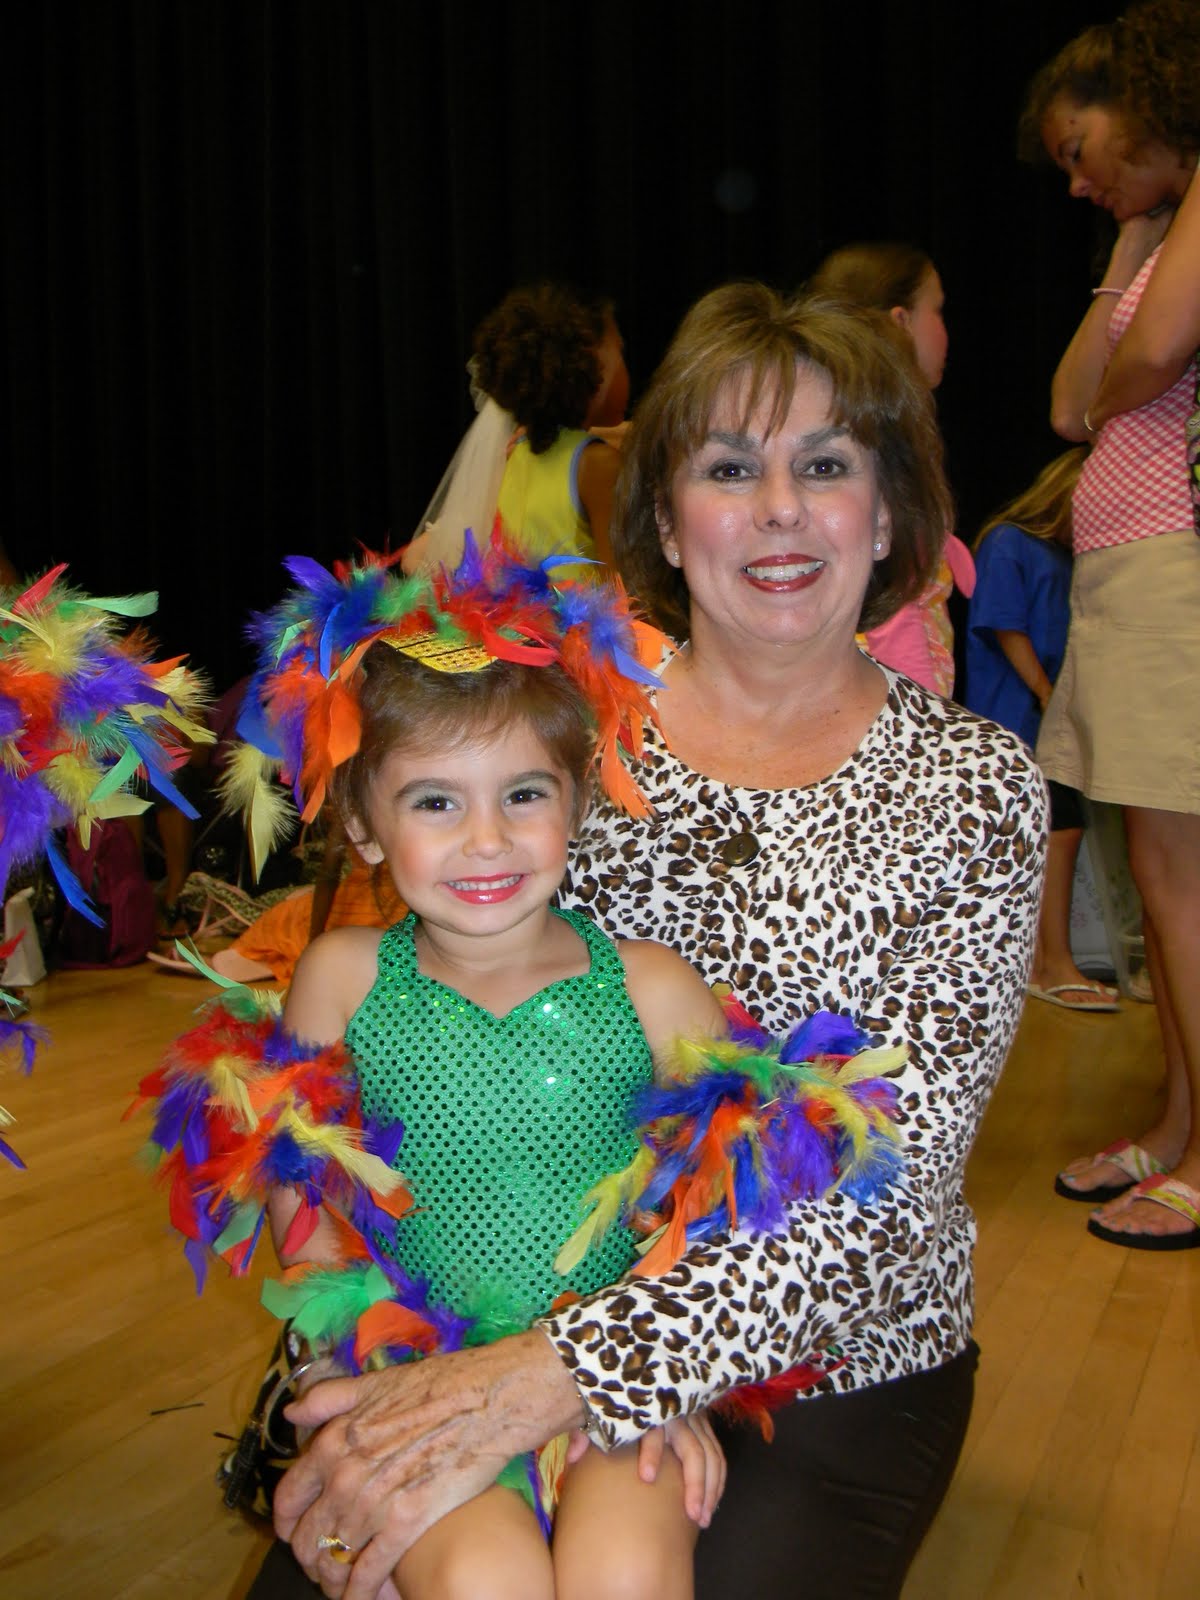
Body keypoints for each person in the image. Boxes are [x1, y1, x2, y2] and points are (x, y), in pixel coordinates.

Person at [239, 285, 1045, 1600]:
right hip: (478, 1300)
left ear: (889, 512)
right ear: (667, 518)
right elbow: (391, 1062)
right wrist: (361, 1360)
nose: (779, 509)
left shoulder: (975, 791)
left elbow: (878, 1187)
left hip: (836, 1355)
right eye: (729, 468)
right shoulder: (551, 734)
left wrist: (586, 1372)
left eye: (826, 467)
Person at [146, 536, 907, 1599]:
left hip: (607, 1386)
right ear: (365, 826)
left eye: (523, 795)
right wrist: (340, 1371)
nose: (488, 841)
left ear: (578, 803)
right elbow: (305, 1206)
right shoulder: (341, 980)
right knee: (486, 1581)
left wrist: (667, 1376)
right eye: (435, 803)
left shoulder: (652, 990)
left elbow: (728, 1211)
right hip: (414, 1379)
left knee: (628, 1572)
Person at [1020, 0, 1200, 1246]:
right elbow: (1074, 404)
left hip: (1177, 566)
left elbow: (1143, 370)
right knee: (1167, 875)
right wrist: (1139, 226)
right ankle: (1183, 1123)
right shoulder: (1165, 224)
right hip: (1138, 566)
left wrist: (1154, 243)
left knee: (1180, 876)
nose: (1078, 180)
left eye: (1083, 148)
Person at [965, 447, 1118, 1013]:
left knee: (1066, 826)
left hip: (1061, 715)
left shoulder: (1071, 557)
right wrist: (1046, 693)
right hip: (1018, 714)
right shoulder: (1010, 541)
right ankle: (1050, 964)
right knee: (1058, 829)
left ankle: (1049, 960)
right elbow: (1006, 624)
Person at [808, 241, 975, 695]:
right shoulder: (881, 427)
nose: (944, 329)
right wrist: (918, 705)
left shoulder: (835, 414)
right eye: (937, 310)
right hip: (893, 675)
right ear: (901, 319)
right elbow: (894, 605)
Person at [405, 284, 629, 576]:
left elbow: (413, 559)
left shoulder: (511, 455)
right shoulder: (598, 465)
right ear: (597, 367)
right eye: (620, 352)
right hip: (586, 624)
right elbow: (625, 594)